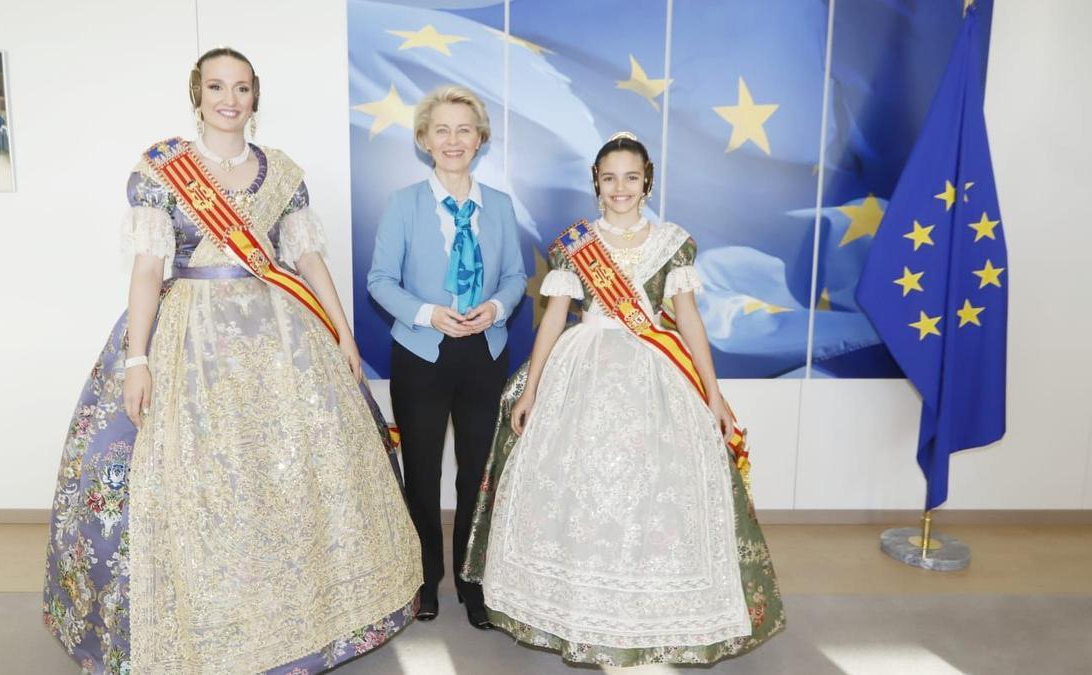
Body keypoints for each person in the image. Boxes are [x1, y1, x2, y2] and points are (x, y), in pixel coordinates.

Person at [43, 47, 421, 675]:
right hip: (190, 335)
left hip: (281, 335)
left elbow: (307, 260)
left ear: (255, 97)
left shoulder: (284, 173)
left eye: (241, 88)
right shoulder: (165, 172)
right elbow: (146, 272)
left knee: (293, 469)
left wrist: (344, 336)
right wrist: (137, 360)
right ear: (198, 95)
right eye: (217, 86)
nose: (230, 98)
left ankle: (305, 616)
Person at [463, 133, 785, 667]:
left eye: (630, 177)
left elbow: (687, 320)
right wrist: (535, 385)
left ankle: (652, 611)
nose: (620, 187)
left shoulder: (672, 243)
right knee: (581, 488)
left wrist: (714, 393)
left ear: (647, 181)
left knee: (658, 488)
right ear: (596, 181)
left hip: (656, 372)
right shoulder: (575, 244)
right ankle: (578, 609)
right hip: (582, 366)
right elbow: (553, 320)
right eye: (609, 177)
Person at [367, 85, 527, 629]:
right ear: (423, 140)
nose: (453, 140)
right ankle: (426, 577)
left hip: (485, 353)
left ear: (480, 140)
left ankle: (471, 578)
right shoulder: (403, 204)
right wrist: (428, 314)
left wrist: (498, 308)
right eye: (442, 130)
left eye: (464, 129)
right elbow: (381, 282)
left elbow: (515, 278)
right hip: (421, 355)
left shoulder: (500, 206)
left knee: (477, 474)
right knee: (422, 472)